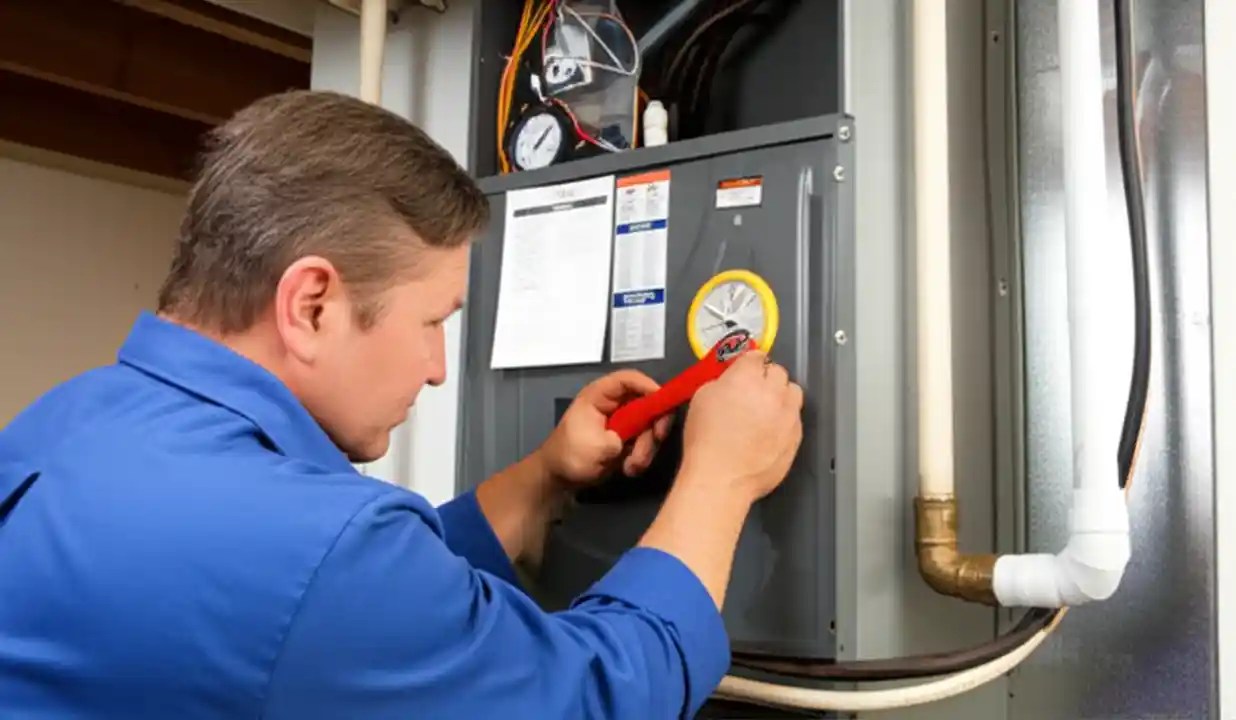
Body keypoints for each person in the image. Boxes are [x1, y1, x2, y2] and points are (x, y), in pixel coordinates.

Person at [0, 90, 803, 719]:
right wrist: (721, 478)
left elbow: (343, 611)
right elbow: (597, 698)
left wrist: (544, 477)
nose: (437, 370)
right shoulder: (322, 556)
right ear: (312, 305)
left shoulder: (60, 424)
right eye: (433, 322)